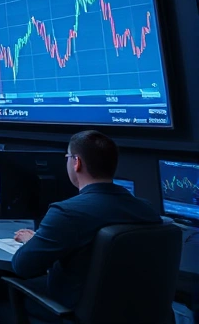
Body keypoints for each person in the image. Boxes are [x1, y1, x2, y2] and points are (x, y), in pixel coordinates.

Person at [11, 130, 161, 311]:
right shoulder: (147, 210)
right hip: (134, 311)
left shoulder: (66, 212)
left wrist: (33, 240)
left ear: (76, 162)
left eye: (67, 156)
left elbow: (22, 267)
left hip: (72, 311)